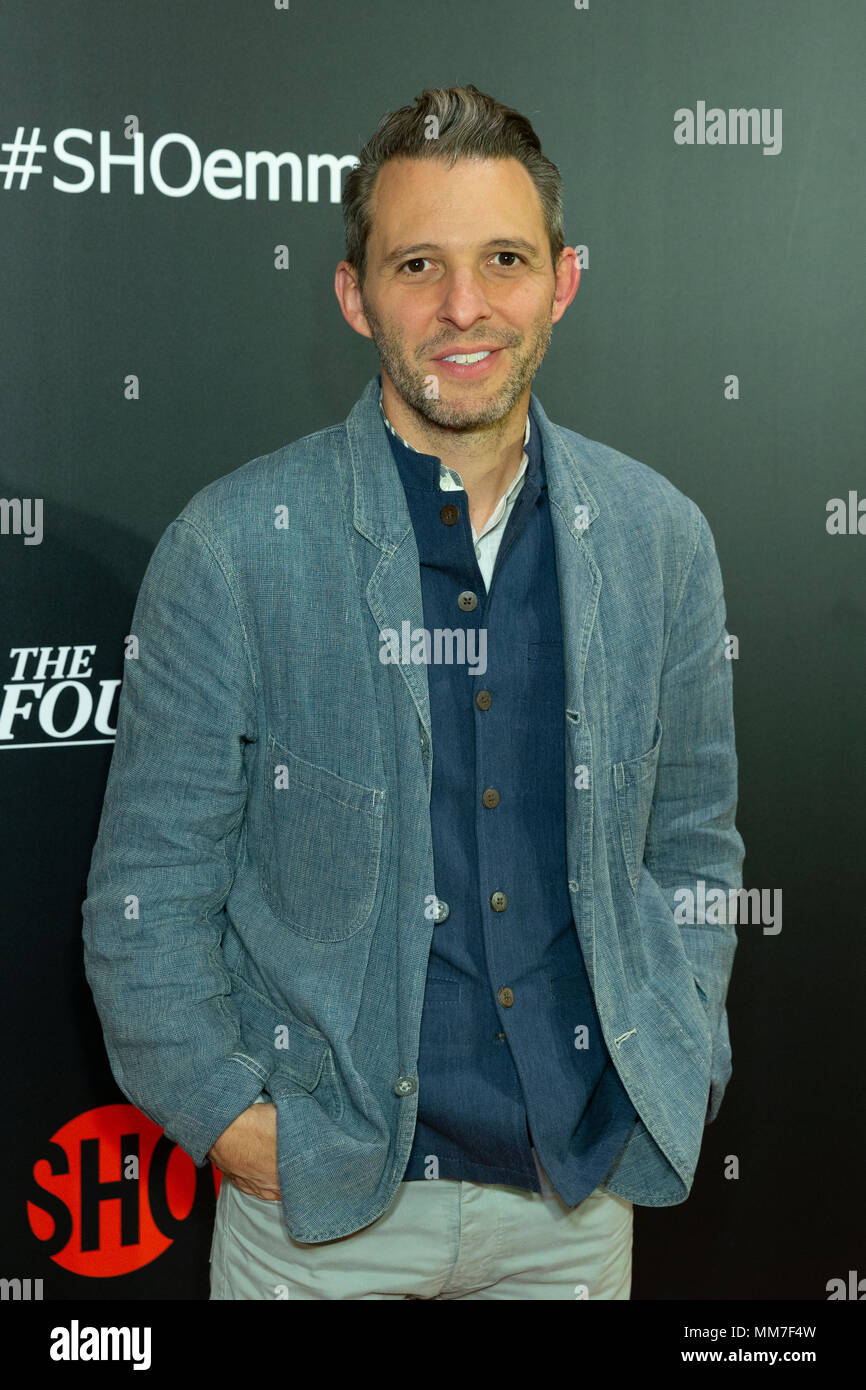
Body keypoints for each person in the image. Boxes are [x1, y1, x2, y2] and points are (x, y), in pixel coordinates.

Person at [82, 84, 745, 1300]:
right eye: (416, 264)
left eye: (502, 259)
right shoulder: (233, 546)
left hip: (574, 1198)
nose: (462, 307)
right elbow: (147, 893)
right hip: (322, 1211)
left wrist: (673, 1047)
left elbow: (694, 844)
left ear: (562, 280)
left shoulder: (660, 539)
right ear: (352, 295)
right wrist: (231, 1119)